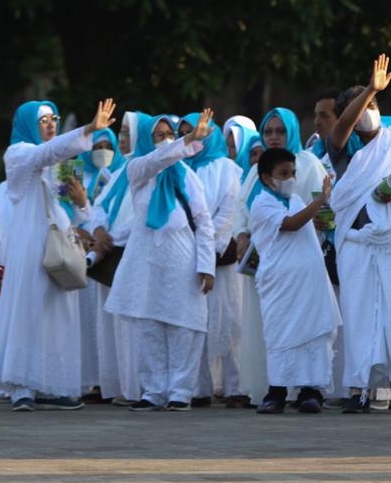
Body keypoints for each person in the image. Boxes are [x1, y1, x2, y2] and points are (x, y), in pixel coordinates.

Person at [0, 98, 117, 411]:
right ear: (29, 124)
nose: (51, 124)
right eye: (44, 121)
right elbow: (45, 153)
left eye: (54, 118)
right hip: (29, 246)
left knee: (59, 314)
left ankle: (53, 386)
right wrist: (88, 129)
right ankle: (21, 388)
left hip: (59, 246)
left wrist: (82, 203)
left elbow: (78, 216)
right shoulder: (18, 154)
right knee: (27, 311)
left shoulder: (61, 160)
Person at [326, 54, 391, 414]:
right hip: (357, 245)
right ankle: (358, 389)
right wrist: (370, 86)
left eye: (373, 104)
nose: (368, 110)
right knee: (358, 315)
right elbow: (339, 132)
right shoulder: (345, 148)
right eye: (361, 106)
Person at [105, 111, 216, 412]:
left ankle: (180, 392)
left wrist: (206, 266)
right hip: (145, 262)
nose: (167, 140)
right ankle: (152, 392)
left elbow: (204, 222)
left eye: (171, 134)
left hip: (182, 259)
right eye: (159, 135)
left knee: (183, 327)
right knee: (148, 326)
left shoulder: (187, 176)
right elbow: (157, 160)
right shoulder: (137, 170)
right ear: (146, 140)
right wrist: (189, 139)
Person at [249, 148, 340, 414]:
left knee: (313, 336)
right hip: (281, 285)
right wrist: (320, 200)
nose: (290, 178)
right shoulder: (262, 202)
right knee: (281, 335)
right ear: (267, 178)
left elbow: (305, 228)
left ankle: (311, 392)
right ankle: (277, 391)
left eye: (293, 173)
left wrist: (319, 221)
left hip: (309, 284)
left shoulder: (297, 200)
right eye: (284, 174)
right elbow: (290, 225)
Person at [178, 112, 246, 408]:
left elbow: (228, 214)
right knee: (195, 324)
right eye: (183, 133)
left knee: (228, 321)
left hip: (220, 257)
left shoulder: (227, 169)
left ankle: (235, 386)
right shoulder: (178, 168)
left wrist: (206, 248)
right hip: (186, 257)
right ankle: (199, 388)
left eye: (194, 132)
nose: (189, 138)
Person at [88, 111, 143, 404]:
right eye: (120, 133)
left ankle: (136, 386)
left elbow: (145, 215)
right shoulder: (121, 171)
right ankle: (118, 386)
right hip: (110, 253)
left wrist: (111, 239)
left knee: (130, 324)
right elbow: (100, 205)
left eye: (126, 133)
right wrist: (99, 230)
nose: (122, 140)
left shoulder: (147, 170)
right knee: (111, 324)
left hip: (131, 254)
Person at [76, 129, 125, 402]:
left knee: (107, 320)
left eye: (108, 145)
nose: (103, 151)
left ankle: (110, 381)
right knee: (87, 323)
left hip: (109, 251)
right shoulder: (76, 176)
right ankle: (90, 380)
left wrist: (103, 238)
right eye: (97, 146)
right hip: (84, 252)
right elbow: (69, 211)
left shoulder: (121, 175)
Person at [223, 116, 260, 182]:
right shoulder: (223, 172)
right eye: (226, 145)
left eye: (233, 146)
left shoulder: (259, 176)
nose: (227, 151)